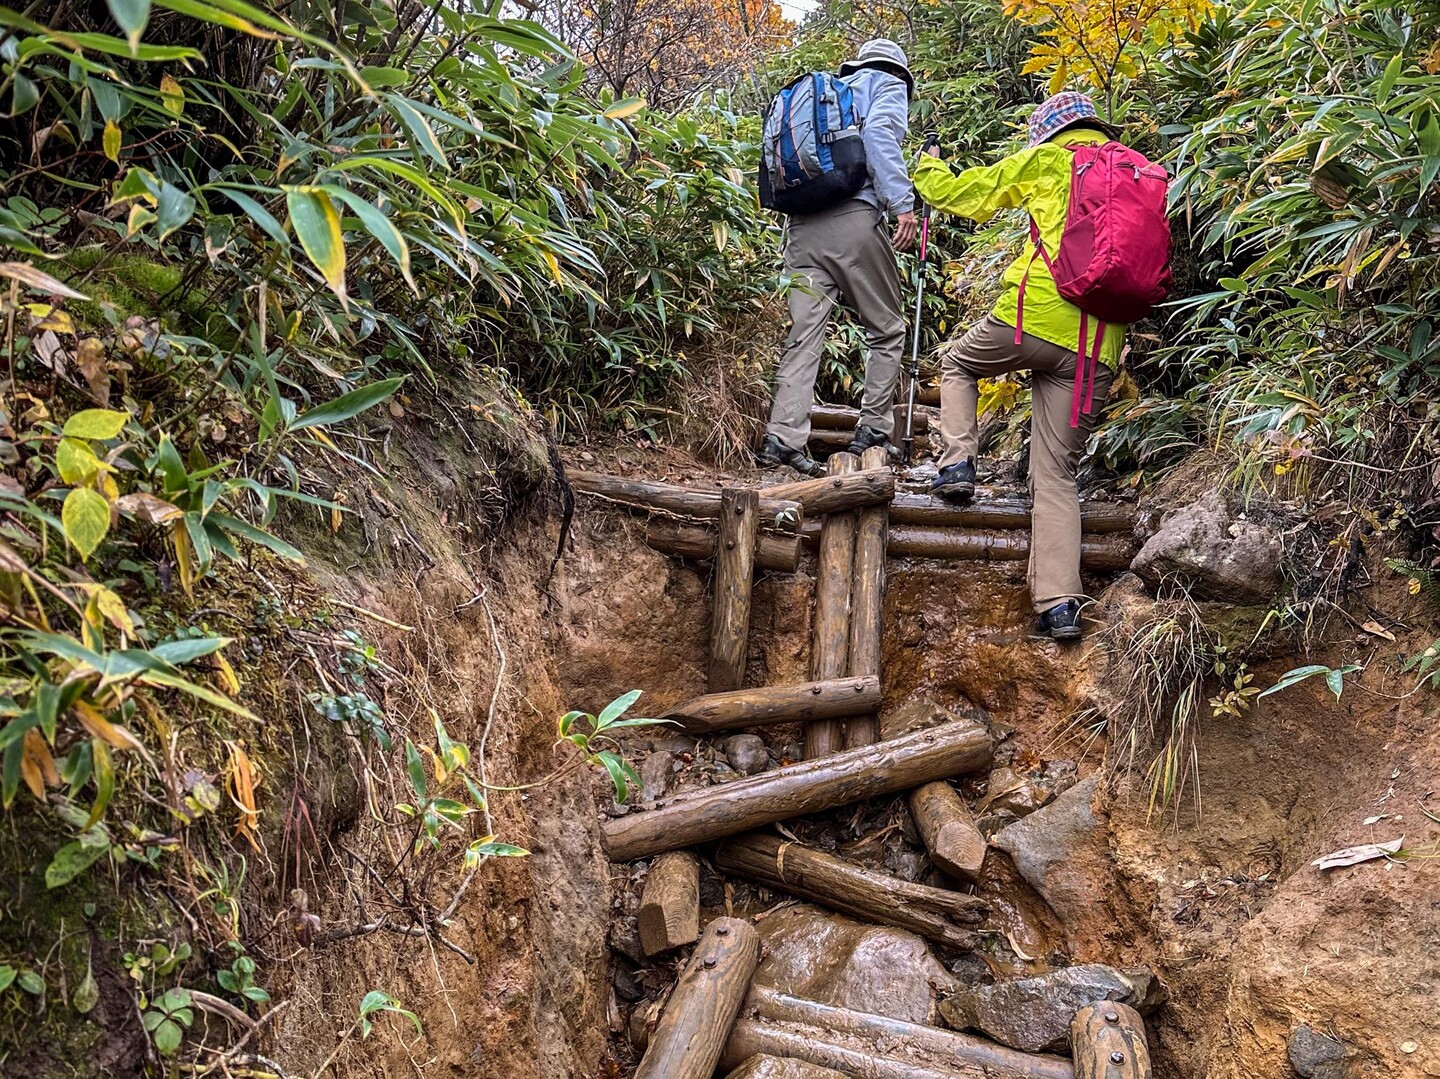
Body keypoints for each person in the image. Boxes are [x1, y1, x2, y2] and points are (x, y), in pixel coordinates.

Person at [912, 92, 1128, 640]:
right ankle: (1060, 605)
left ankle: (958, 465)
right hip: (1099, 344)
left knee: (958, 364)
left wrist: (929, 164)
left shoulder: (1049, 160)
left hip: (1033, 318)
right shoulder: (1135, 170)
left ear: (1048, 133)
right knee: (1057, 475)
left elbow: (963, 194)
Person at [756, 38, 918, 477]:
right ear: (899, 72)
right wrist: (903, 204)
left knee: (803, 335)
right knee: (887, 329)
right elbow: (880, 135)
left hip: (801, 227)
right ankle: (873, 431)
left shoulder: (829, 93)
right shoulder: (886, 85)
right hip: (853, 220)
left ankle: (782, 440)